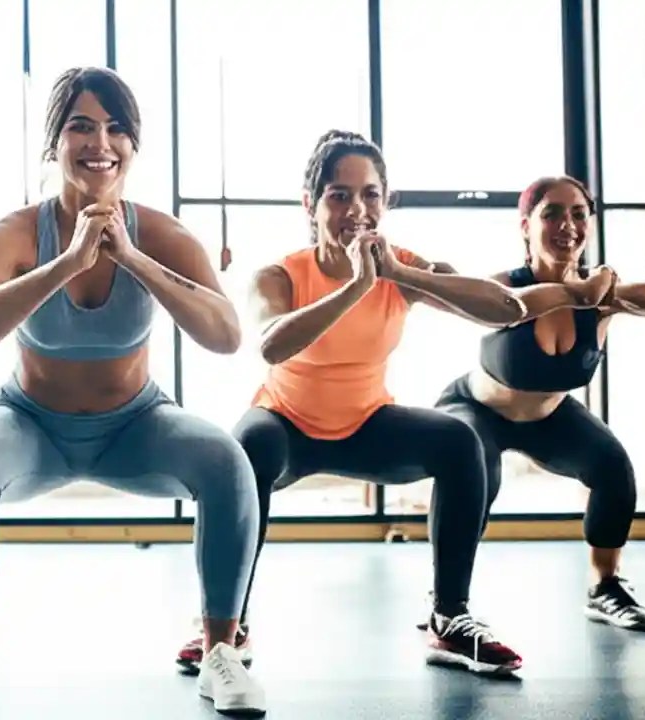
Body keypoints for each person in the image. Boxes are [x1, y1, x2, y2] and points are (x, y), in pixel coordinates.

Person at [172, 131, 617, 678]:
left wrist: (401, 277)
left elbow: (502, 309)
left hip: (366, 425)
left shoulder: (402, 265)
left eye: (371, 195)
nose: (357, 210)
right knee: (244, 451)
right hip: (285, 426)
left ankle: (449, 619)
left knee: (459, 442)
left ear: (386, 202)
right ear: (311, 205)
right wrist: (357, 287)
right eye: (339, 195)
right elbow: (271, 343)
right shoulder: (279, 275)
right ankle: (224, 625)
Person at [0, 66, 266, 717]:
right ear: (54, 142)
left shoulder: (162, 233)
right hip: (29, 425)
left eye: (115, 127)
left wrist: (133, 258)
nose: (99, 142)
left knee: (227, 462)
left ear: (133, 145)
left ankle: (221, 650)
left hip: (136, 424)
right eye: (80, 125)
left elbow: (224, 335)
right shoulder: (15, 234)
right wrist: (67, 264)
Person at [434, 175, 645, 633]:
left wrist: (611, 289)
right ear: (526, 225)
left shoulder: (600, 300)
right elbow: (468, 303)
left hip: (550, 417)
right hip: (478, 409)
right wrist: (578, 292)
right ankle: (447, 603)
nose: (566, 224)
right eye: (551, 213)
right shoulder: (504, 288)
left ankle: (604, 587)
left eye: (578, 214)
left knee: (613, 468)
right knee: (474, 473)